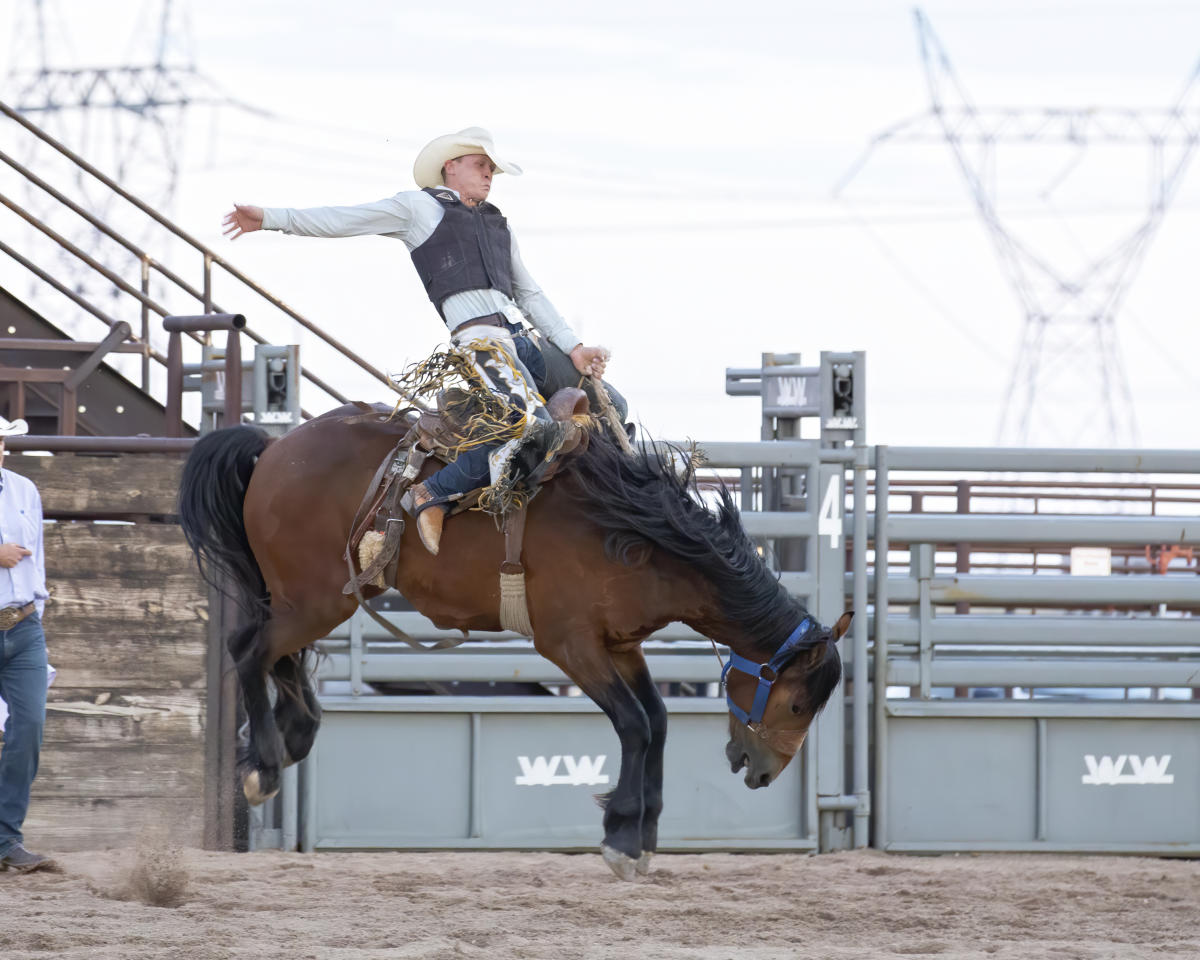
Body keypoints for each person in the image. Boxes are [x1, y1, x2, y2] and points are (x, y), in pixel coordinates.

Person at [223, 127, 625, 555]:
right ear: (450, 167)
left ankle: (610, 510)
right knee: (533, 426)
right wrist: (270, 218)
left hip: (525, 340)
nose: (490, 176)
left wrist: (573, 347)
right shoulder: (418, 207)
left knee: (613, 406)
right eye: (482, 166)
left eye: (492, 170)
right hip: (482, 339)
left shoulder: (495, 222)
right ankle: (431, 492)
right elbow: (345, 218)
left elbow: (528, 293)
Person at [0, 415, 54, 874]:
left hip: (24, 624)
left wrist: (37, 610)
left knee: (29, 728)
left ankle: (6, 838)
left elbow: (38, 560)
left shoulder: (24, 490)